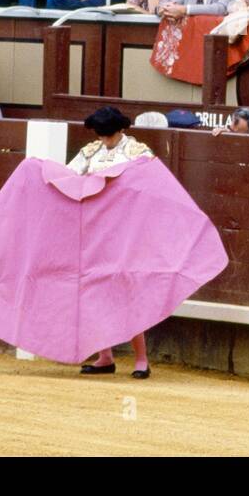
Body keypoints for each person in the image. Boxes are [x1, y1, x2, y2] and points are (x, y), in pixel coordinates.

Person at [65, 105, 156, 377]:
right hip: (93, 232)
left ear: (121, 130)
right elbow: (68, 177)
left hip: (126, 233)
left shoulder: (137, 153)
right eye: (100, 135)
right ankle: (105, 356)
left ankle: (142, 359)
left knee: (127, 292)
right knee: (93, 292)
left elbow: (151, 187)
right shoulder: (91, 151)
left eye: (108, 135)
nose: (104, 140)